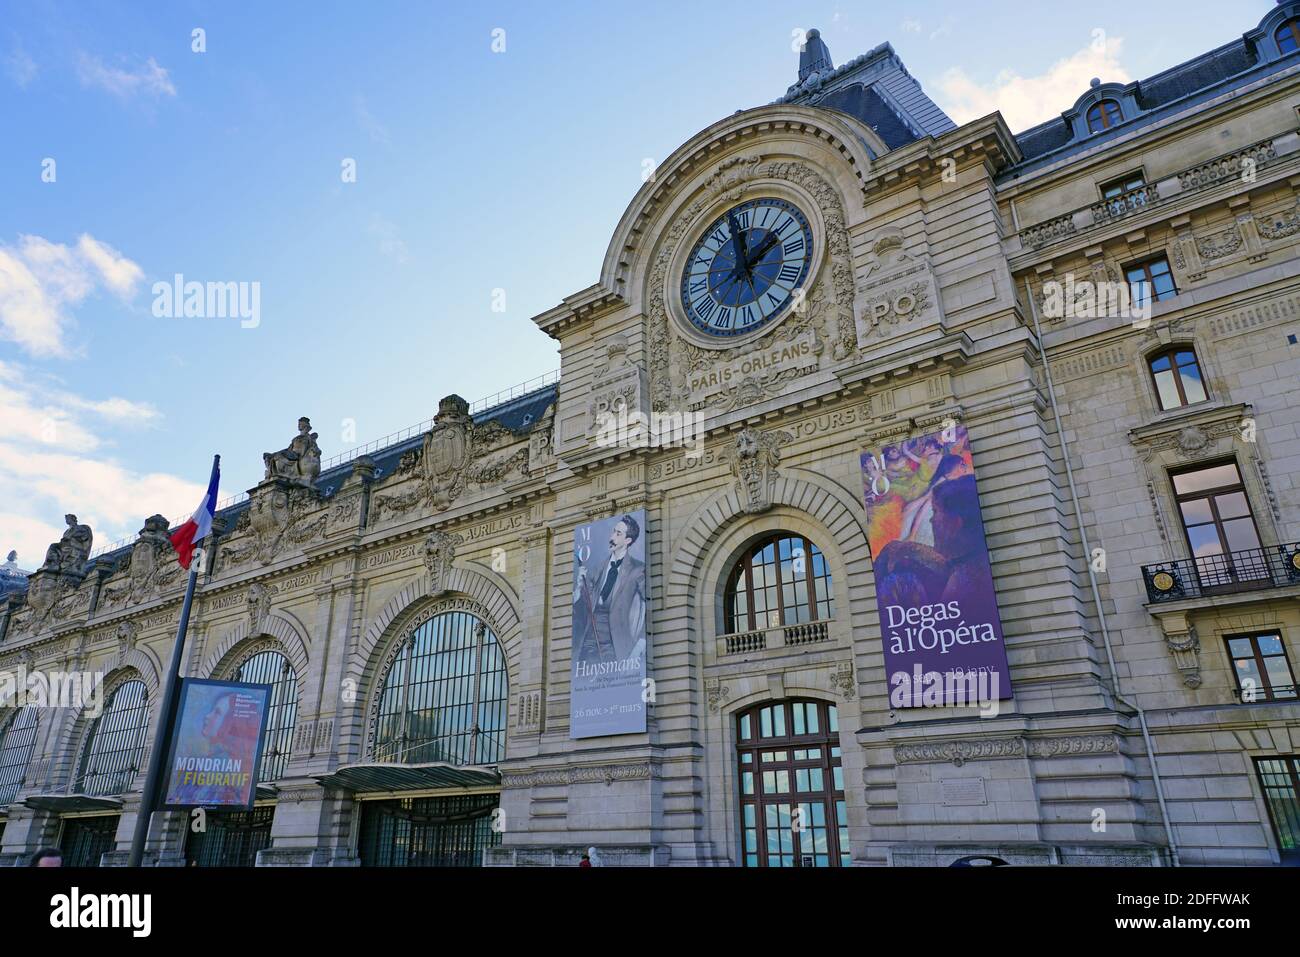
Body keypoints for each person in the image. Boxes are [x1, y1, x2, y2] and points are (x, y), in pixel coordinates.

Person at [572, 515, 646, 663]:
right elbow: (581, 613)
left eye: (618, 534)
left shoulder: (638, 569)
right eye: (613, 531)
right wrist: (578, 590)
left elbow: (651, 606)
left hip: (616, 646)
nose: (612, 537)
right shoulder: (596, 570)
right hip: (589, 643)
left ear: (628, 540)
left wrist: (640, 645)